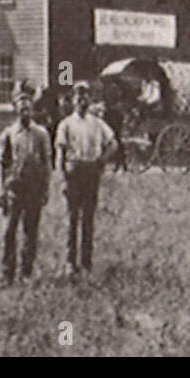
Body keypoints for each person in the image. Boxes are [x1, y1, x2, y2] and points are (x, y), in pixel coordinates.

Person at [53, 82, 117, 277]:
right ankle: (70, 262)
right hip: (73, 172)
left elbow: (113, 143)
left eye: (85, 97)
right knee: (72, 218)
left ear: (89, 100)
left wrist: (101, 161)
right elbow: (60, 152)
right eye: (78, 97)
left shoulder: (97, 123)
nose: (81, 101)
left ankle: (86, 262)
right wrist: (62, 174)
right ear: (73, 101)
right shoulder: (66, 124)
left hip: (90, 171)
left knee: (88, 219)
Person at [0, 93, 52, 284]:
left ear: (32, 110)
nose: (25, 113)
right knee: (8, 231)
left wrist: (46, 188)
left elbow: (47, 163)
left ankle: (26, 272)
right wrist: (0, 191)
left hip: (34, 189)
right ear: (15, 111)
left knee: (31, 232)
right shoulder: (9, 134)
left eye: (28, 109)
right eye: (21, 109)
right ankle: (7, 273)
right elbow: (2, 165)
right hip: (14, 188)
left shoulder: (41, 134)